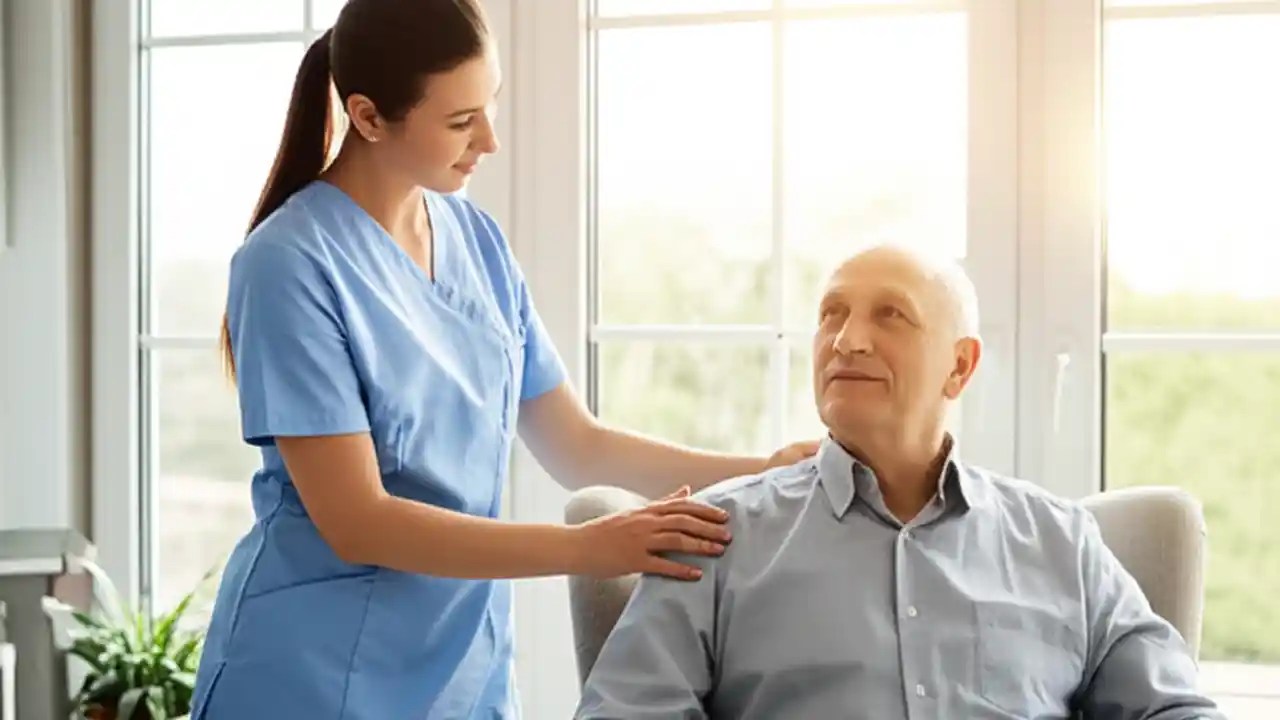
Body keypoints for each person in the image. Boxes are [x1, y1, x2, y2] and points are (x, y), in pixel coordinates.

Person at [188, 1, 817, 718]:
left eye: (489, 106)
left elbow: (578, 446)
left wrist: (764, 470)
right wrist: (590, 548)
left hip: (462, 673)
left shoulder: (476, 243)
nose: (489, 139)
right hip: (315, 675)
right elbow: (358, 521)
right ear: (366, 116)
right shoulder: (287, 264)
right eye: (460, 121)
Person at [575, 244, 1225, 720]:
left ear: (959, 366)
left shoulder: (1061, 542)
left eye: (891, 316)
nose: (848, 341)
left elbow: (1170, 708)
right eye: (832, 314)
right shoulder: (714, 536)